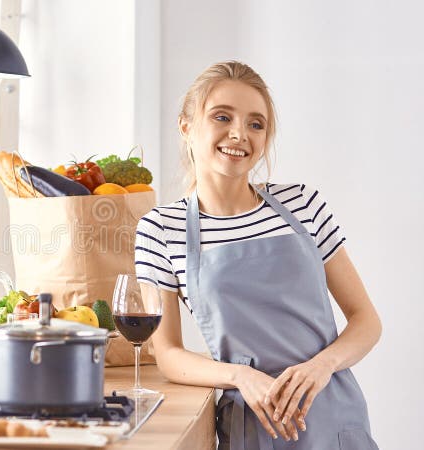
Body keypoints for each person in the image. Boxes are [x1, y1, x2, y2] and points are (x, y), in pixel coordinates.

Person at [135, 61, 381, 449]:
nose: (240, 134)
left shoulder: (302, 205)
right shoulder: (162, 229)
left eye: (256, 124)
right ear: (186, 126)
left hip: (333, 413)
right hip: (253, 421)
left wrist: (323, 365)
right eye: (222, 117)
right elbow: (166, 353)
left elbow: (366, 320)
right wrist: (238, 376)